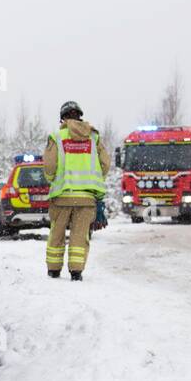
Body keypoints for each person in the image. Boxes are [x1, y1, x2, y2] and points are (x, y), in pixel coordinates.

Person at [43, 101, 109, 280]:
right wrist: (94, 179)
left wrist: (52, 179)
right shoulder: (93, 138)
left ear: (62, 118)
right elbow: (105, 163)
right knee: (80, 235)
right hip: (86, 198)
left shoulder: (57, 136)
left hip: (62, 197)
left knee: (57, 233)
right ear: (79, 116)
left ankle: (54, 269)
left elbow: (49, 166)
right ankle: (76, 272)